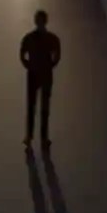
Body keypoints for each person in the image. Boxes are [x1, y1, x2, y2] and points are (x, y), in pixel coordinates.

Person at [20, 9, 61, 147]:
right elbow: (57, 56)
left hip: (33, 74)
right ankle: (43, 138)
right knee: (44, 107)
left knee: (31, 106)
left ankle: (29, 136)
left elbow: (22, 54)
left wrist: (29, 65)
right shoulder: (53, 38)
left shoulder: (29, 37)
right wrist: (50, 66)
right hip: (46, 75)